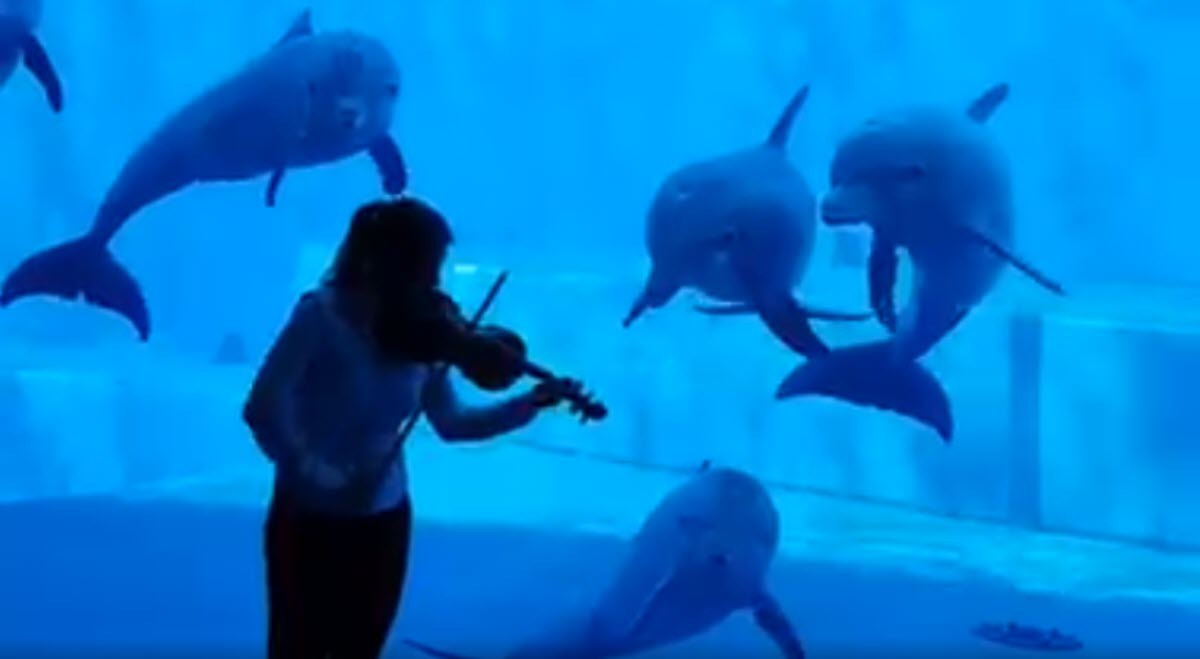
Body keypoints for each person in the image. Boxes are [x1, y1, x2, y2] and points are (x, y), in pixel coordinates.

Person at [243, 197, 580, 659]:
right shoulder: (320, 316)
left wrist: (528, 404)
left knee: (359, 649)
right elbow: (263, 408)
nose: (434, 283)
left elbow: (453, 423)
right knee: (297, 648)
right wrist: (318, 473)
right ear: (386, 260)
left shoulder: (428, 329)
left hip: (383, 514)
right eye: (425, 265)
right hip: (307, 512)